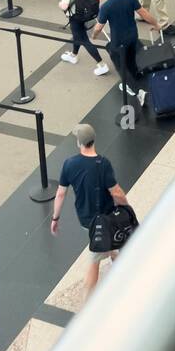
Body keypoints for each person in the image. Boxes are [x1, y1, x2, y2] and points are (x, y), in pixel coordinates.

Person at [51, 124, 131, 297]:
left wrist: (55, 218)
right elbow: (116, 192)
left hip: (86, 220)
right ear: (93, 140)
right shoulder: (103, 164)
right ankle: (87, 301)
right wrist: (127, 208)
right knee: (94, 262)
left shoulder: (69, 164)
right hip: (104, 219)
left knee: (109, 246)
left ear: (79, 143)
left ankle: (120, 269)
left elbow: (60, 194)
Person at [92, 0, 158, 111]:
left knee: (121, 66)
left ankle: (136, 90)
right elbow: (143, 13)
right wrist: (156, 23)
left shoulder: (106, 6)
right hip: (133, 36)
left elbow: (99, 26)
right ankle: (136, 75)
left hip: (119, 42)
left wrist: (94, 35)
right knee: (131, 59)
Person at [55, 0, 109, 75]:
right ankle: (74, 55)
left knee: (84, 40)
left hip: (76, 17)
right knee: (77, 36)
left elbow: (64, 6)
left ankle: (101, 64)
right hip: (88, 13)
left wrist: (60, 4)